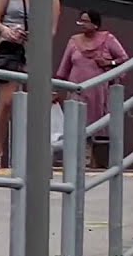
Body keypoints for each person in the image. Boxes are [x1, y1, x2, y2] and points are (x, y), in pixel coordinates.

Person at [0, 0, 60, 169]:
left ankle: (34, 152)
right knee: (7, 101)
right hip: (9, 48)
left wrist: (35, 36)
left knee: (38, 101)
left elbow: (52, 30)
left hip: (35, 50)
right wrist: (7, 31)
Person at [53, 10, 128, 169]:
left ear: (95, 24)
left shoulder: (108, 39)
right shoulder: (73, 41)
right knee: (77, 125)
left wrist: (109, 63)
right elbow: (63, 69)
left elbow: (124, 59)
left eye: (86, 21)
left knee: (98, 127)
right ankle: (79, 162)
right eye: (81, 21)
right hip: (77, 90)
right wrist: (56, 90)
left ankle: (97, 163)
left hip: (98, 91)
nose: (83, 24)